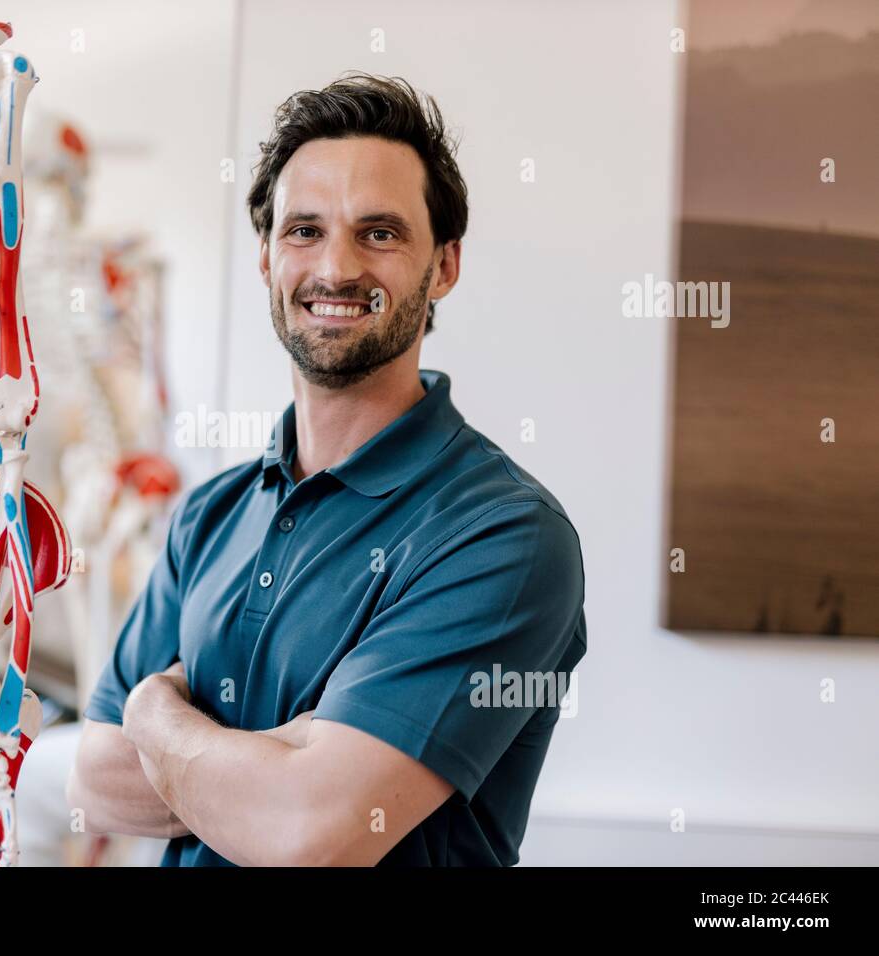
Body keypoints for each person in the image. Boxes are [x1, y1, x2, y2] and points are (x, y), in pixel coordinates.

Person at [67, 73, 587, 866]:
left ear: (444, 266)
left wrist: (154, 713)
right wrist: (276, 760)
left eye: (379, 233)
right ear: (268, 258)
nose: (335, 268)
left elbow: (308, 833)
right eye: (304, 230)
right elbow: (95, 783)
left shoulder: (504, 535)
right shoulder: (211, 513)